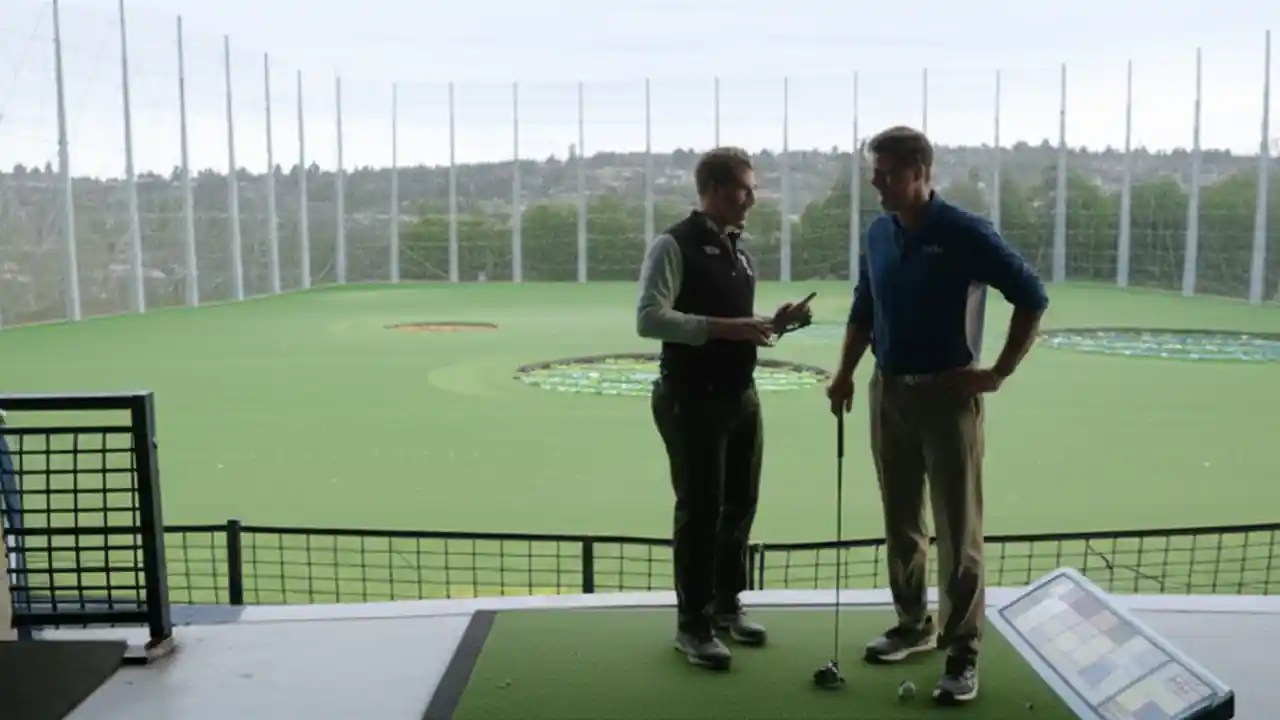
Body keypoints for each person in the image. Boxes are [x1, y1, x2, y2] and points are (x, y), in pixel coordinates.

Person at [825, 126, 1049, 704]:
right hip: (888, 392)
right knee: (901, 520)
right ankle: (912, 623)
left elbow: (1031, 295)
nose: (877, 183)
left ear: (922, 174)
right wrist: (846, 372)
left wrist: (997, 372)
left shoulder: (964, 232)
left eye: (888, 174)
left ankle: (962, 649)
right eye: (874, 173)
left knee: (957, 529)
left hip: (949, 399)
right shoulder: (878, 233)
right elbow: (864, 307)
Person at [636, 146, 813, 671]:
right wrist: (725, 328)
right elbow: (649, 318)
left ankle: (725, 605)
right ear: (713, 190)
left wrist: (774, 324)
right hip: (690, 399)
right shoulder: (674, 244)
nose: (752, 198)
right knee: (699, 510)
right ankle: (692, 626)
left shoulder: (741, 252)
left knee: (739, 504)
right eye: (743, 188)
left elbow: (734, 326)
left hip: (740, 395)